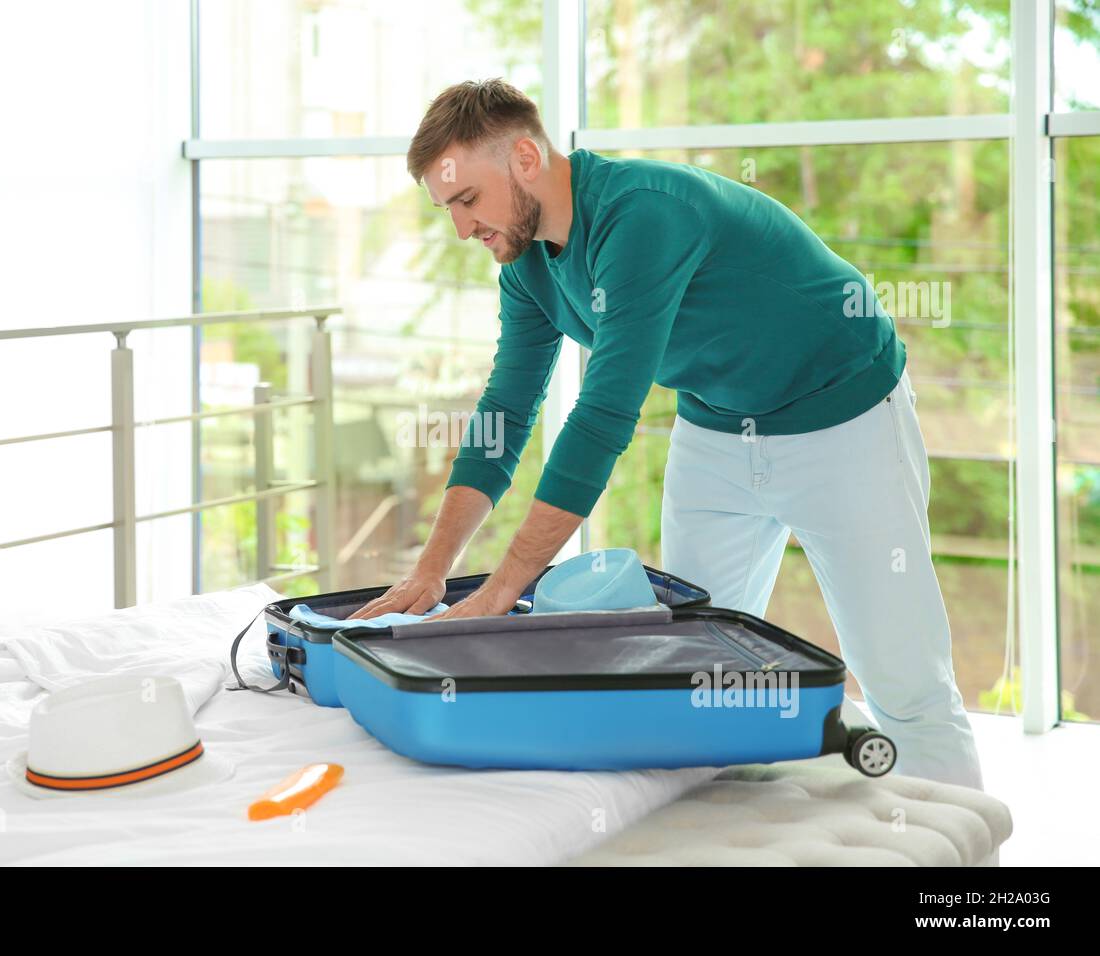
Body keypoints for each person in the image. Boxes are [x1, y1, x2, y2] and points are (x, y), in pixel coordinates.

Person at [347, 79, 983, 790]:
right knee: (703, 673)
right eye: (448, 210)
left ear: (525, 157)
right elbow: (505, 411)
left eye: (467, 201)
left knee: (905, 683)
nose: (462, 229)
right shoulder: (524, 262)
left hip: (843, 418)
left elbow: (603, 415)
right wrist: (433, 569)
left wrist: (502, 591)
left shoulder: (643, 216)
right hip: (715, 426)